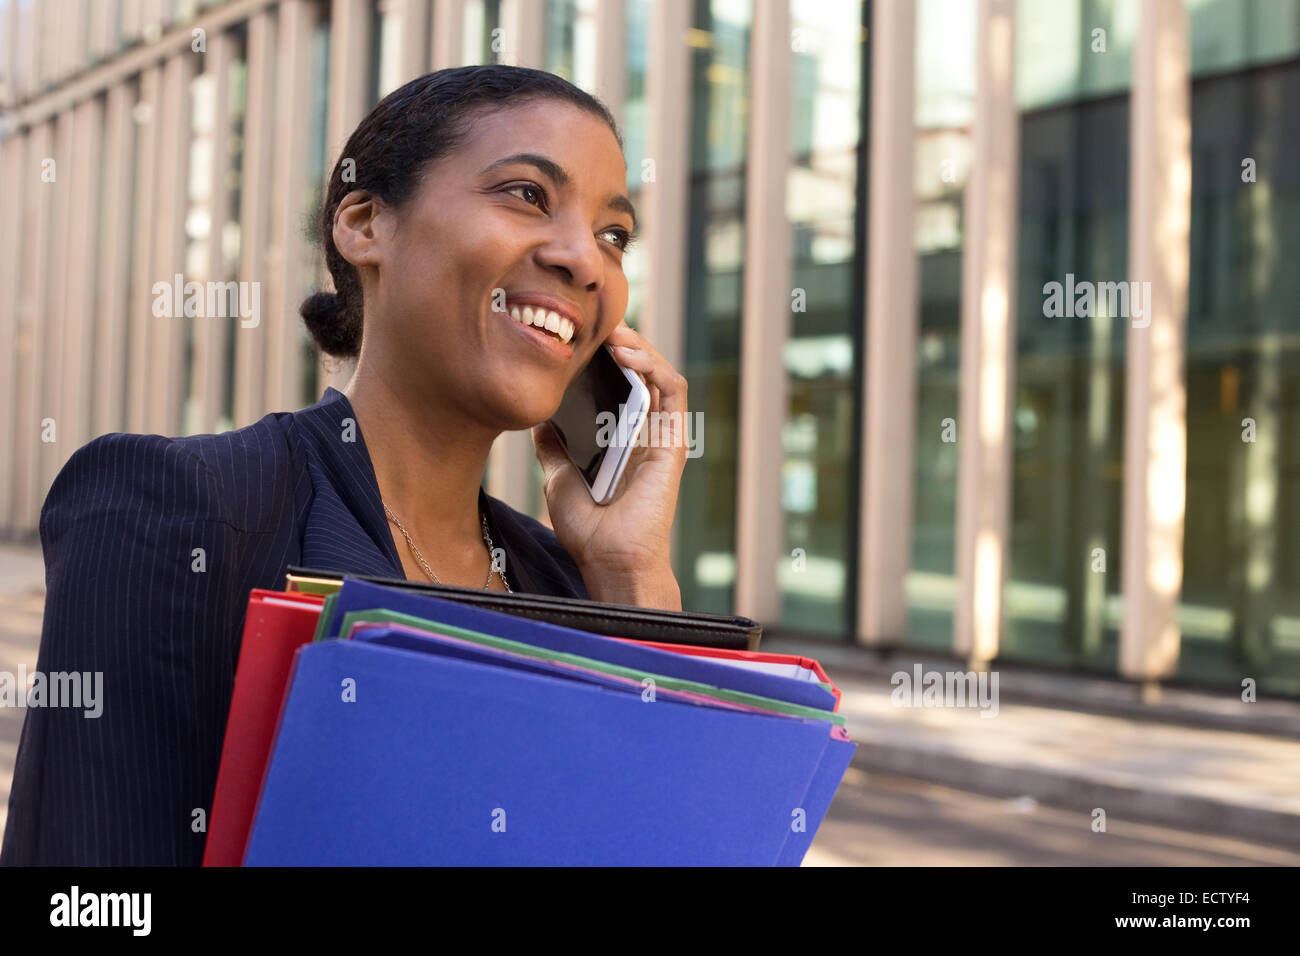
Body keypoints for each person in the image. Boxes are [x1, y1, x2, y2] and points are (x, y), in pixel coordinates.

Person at [1, 65, 688, 866]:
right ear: (363, 223)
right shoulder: (186, 508)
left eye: (614, 235)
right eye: (528, 195)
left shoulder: (570, 583)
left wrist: (629, 574)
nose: (586, 260)